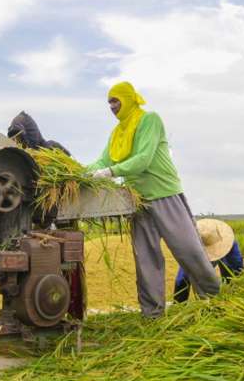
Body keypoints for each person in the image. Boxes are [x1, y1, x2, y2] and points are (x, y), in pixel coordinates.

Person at [87, 82, 220, 317]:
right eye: (109, 102)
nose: (112, 107)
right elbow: (103, 161)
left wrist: (110, 173)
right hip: (138, 201)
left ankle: (213, 298)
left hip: (164, 194)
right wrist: (82, 173)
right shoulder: (117, 133)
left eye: (116, 101)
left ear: (128, 99)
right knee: (145, 257)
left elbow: (144, 159)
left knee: (187, 249)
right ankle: (153, 314)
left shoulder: (150, 120)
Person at [174, 218, 244, 302]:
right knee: (192, 273)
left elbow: (237, 267)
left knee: (232, 272)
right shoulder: (191, 247)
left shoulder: (229, 241)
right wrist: (179, 302)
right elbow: (183, 276)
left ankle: (230, 298)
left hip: (222, 243)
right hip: (197, 250)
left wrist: (239, 285)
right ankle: (203, 302)